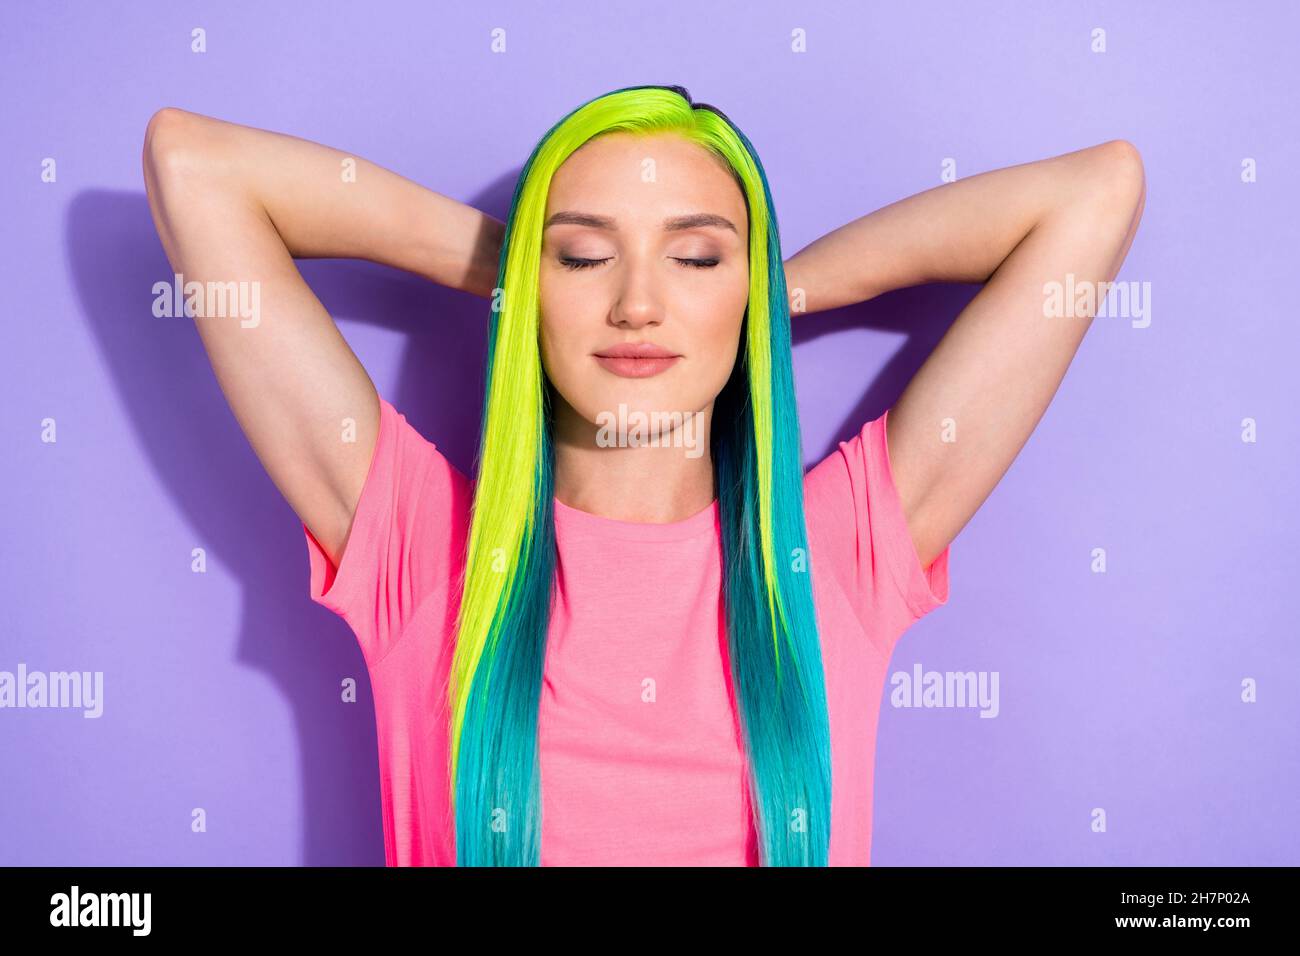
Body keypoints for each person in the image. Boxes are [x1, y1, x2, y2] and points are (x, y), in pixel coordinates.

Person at [141, 84, 1145, 866]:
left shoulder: (832, 552)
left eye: (695, 261)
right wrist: (521, 260)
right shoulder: (418, 540)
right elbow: (193, 166)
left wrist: (771, 288)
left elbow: (1095, 192)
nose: (636, 305)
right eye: (584, 258)